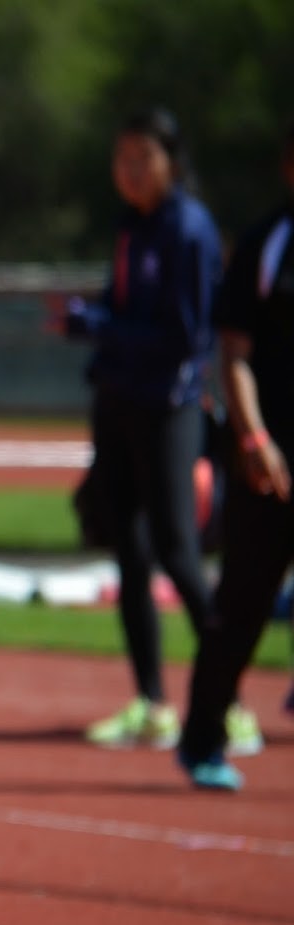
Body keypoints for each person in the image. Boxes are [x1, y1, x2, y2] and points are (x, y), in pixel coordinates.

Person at [55, 107, 224, 753]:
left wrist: (102, 327)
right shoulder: (133, 226)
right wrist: (87, 318)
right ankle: (152, 701)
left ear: (171, 162)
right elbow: (121, 306)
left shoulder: (189, 230)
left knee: (178, 549)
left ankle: (224, 694)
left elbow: (186, 336)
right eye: (120, 159)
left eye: (142, 158)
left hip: (168, 405)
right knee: (127, 549)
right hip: (119, 398)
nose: (128, 171)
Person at [177, 120, 294, 790]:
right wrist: (253, 438)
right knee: (243, 604)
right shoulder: (267, 246)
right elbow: (235, 354)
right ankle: (202, 737)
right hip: (268, 462)